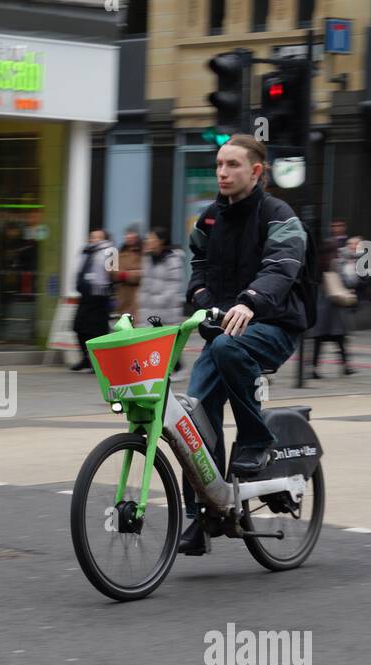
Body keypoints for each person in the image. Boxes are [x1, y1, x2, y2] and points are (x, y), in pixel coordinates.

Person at [178, 134, 309, 556]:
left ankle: (256, 439)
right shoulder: (208, 221)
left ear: (256, 171)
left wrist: (251, 302)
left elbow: (282, 266)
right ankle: (203, 516)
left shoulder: (279, 216)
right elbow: (196, 269)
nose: (222, 172)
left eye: (232, 165)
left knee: (225, 350)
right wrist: (200, 300)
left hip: (273, 325)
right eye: (219, 164)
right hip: (222, 331)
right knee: (193, 418)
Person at [136, 228, 187, 369]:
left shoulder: (172, 259)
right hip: (149, 308)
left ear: (161, 241)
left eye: (151, 238)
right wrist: (142, 302)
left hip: (167, 309)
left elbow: (174, 285)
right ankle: (159, 370)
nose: (148, 241)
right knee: (152, 342)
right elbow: (145, 283)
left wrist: (159, 301)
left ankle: (178, 368)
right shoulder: (148, 258)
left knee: (169, 341)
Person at [309, 238, 356, 378]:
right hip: (335, 308)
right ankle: (346, 366)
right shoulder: (337, 263)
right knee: (340, 339)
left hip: (320, 308)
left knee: (319, 340)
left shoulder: (317, 264)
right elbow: (348, 281)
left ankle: (314, 369)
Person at [70, 229, 114, 371]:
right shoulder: (86, 251)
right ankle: (86, 357)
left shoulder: (110, 251)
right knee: (79, 327)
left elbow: (112, 273)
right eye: (92, 237)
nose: (94, 239)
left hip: (99, 296)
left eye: (98, 237)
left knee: (97, 331)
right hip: (85, 295)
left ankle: (98, 362)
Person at [114, 225, 143, 319]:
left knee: (136, 321)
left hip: (138, 293)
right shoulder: (120, 252)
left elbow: (146, 272)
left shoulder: (143, 252)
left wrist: (127, 275)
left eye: (132, 235)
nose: (129, 238)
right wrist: (119, 275)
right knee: (124, 320)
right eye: (127, 236)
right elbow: (112, 270)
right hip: (123, 294)